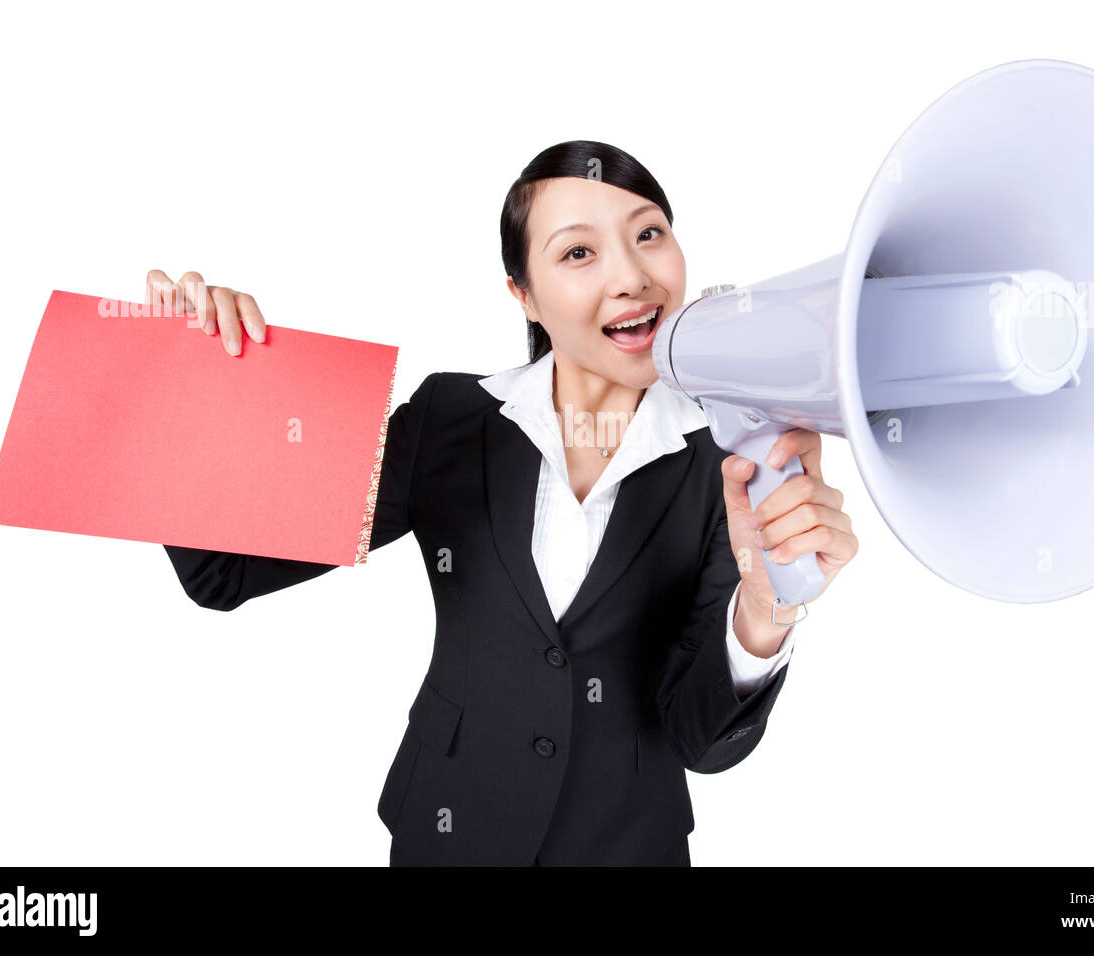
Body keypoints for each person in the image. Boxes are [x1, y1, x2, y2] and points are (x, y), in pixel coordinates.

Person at [153, 140, 858, 866]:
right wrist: (200, 380)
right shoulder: (449, 418)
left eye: (649, 233)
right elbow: (223, 571)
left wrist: (765, 606)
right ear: (523, 293)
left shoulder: (732, 457)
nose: (632, 277)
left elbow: (700, 742)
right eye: (578, 253)